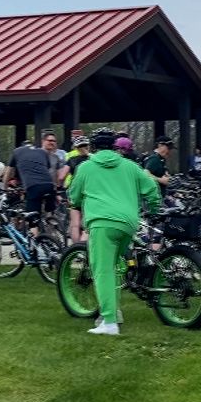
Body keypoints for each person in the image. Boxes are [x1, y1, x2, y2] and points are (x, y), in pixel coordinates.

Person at [67, 128, 162, 335]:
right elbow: (152, 188)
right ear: (113, 146)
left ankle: (109, 323)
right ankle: (113, 312)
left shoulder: (85, 167)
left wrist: (77, 201)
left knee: (102, 270)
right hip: (128, 223)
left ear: (93, 147)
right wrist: (154, 209)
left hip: (102, 223)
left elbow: (74, 196)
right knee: (115, 266)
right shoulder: (130, 166)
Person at [5, 129, 63, 217]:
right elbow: (48, 172)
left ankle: (41, 224)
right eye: (50, 140)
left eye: (54, 141)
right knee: (49, 212)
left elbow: (8, 174)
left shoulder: (17, 152)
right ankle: (51, 224)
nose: (52, 143)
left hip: (33, 186)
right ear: (43, 141)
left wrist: (5, 188)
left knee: (33, 218)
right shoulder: (42, 153)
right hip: (49, 186)